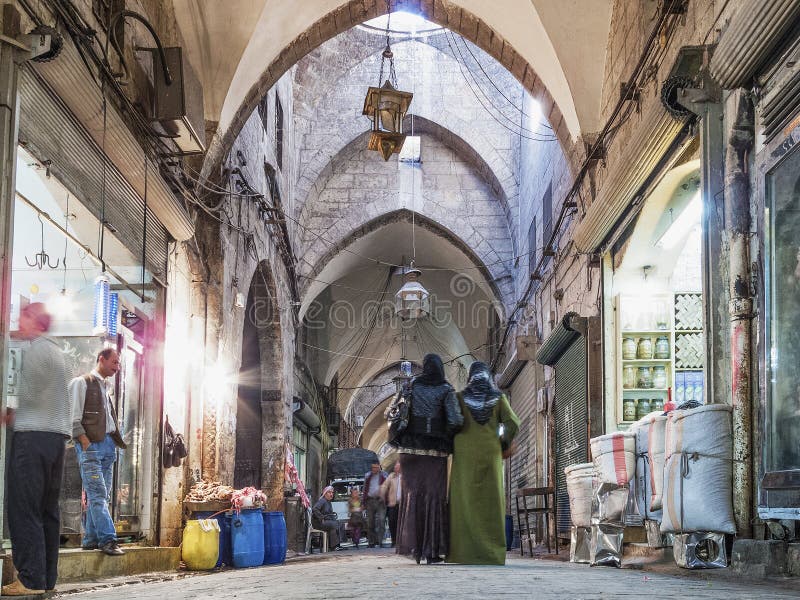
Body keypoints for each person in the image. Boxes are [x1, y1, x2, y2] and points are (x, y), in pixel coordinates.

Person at [2, 303, 70, 596]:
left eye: (24, 318)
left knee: (24, 508)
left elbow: (27, 394)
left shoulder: (36, 352)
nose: (20, 323)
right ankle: (46, 579)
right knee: (47, 511)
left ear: (36, 322)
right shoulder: (59, 353)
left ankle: (30, 579)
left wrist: (8, 413)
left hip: (32, 437)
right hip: (56, 440)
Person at [393, 353, 463, 564]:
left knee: (413, 498)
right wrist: (449, 435)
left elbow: (397, 411)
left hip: (409, 450)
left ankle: (415, 549)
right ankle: (432, 551)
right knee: (434, 498)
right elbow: (455, 419)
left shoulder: (412, 386)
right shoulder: (446, 389)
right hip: (435, 451)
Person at [448, 361, 520, 565]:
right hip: (490, 452)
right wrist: (503, 443)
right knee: (491, 502)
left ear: (470, 377)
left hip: (464, 454)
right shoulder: (498, 398)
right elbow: (513, 423)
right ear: (487, 377)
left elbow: (451, 422)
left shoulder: (460, 398)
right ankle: (492, 554)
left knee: (465, 502)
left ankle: (464, 553)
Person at [70, 348, 127, 556]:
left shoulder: (105, 387)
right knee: (97, 494)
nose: (117, 367)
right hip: (91, 446)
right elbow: (73, 416)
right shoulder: (82, 383)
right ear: (101, 359)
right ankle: (108, 540)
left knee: (102, 496)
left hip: (107, 446)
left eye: (118, 363)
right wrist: (84, 442)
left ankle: (91, 539)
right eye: (114, 362)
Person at [362, 461, 387, 548]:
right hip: (370, 501)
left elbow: (387, 487)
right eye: (373, 468)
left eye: (376, 467)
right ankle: (371, 542)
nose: (374, 469)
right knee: (370, 523)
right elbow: (365, 488)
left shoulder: (384, 475)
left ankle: (380, 541)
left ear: (379, 467)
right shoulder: (368, 476)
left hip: (380, 501)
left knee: (381, 520)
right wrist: (363, 502)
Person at [312, 486, 345, 551]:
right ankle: (334, 546)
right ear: (325, 493)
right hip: (319, 523)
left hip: (326, 522)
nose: (331, 494)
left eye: (332, 492)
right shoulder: (322, 501)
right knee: (334, 525)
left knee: (340, 524)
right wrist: (321, 517)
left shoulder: (328, 502)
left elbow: (328, 513)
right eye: (329, 492)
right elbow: (315, 509)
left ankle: (337, 545)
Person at [380, 461, 402, 547]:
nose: (396, 468)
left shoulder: (405, 476)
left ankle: (402, 542)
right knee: (392, 523)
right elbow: (384, 486)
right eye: (395, 466)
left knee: (402, 524)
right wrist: (382, 495)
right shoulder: (391, 476)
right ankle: (394, 541)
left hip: (403, 505)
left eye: (398, 466)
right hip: (393, 504)